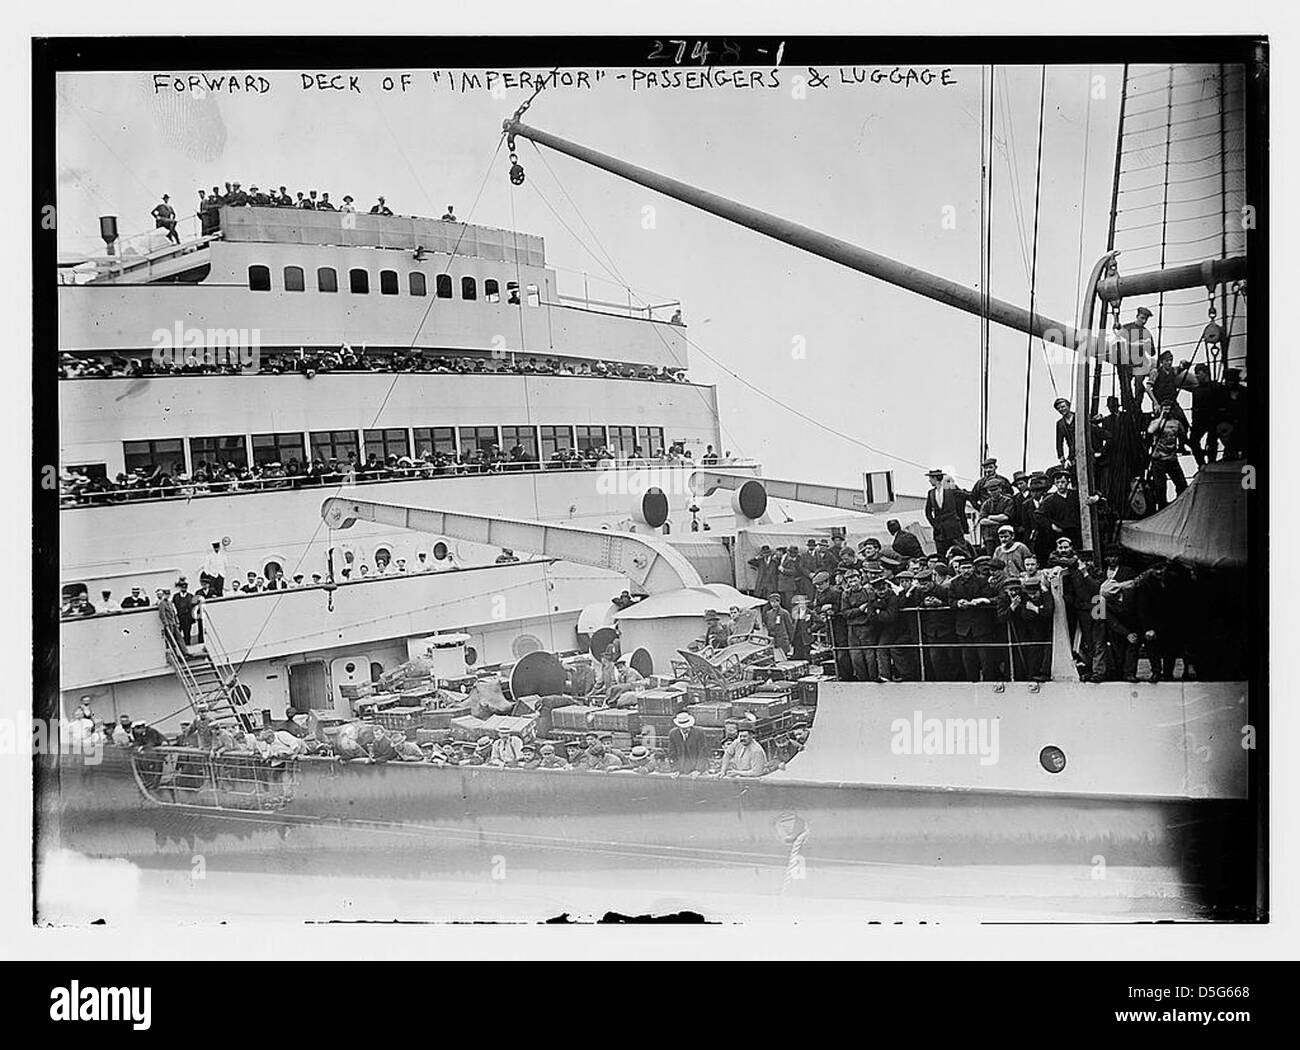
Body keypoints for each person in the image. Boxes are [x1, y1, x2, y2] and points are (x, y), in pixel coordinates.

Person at [1147, 403, 1189, 510]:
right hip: (1158, 459)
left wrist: (1181, 447)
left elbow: (1183, 435)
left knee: (1181, 484)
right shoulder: (1156, 422)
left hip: (1171, 458)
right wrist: (1161, 417)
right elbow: (1151, 431)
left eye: (1169, 410)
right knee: (1160, 487)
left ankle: (1179, 506)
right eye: (1165, 409)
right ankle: (1162, 508)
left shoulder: (1177, 423)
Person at [925, 470, 973, 558]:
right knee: (942, 555)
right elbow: (927, 512)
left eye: (930, 478)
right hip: (939, 531)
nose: (929, 481)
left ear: (935, 478)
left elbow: (965, 495)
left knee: (963, 551)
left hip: (954, 528)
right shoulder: (931, 493)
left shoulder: (951, 489)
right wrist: (935, 524)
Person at [761, 593, 795, 661]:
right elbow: (767, 626)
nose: (774, 603)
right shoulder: (768, 614)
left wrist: (791, 641)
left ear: (779, 602)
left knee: (783, 658)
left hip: (782, 640)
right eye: (772, 601)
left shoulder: (784, 613)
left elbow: (790, 628)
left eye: (776, 601)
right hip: (772, 640)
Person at [1054, 398, 1077, 465]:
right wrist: (1061, 456)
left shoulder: (1079, 417)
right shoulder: (1060, 424)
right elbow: (1059, 442)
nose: (1061, 409)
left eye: (1063, 406)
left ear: (1068, 406)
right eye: (1059, 408)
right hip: (1072, 453)